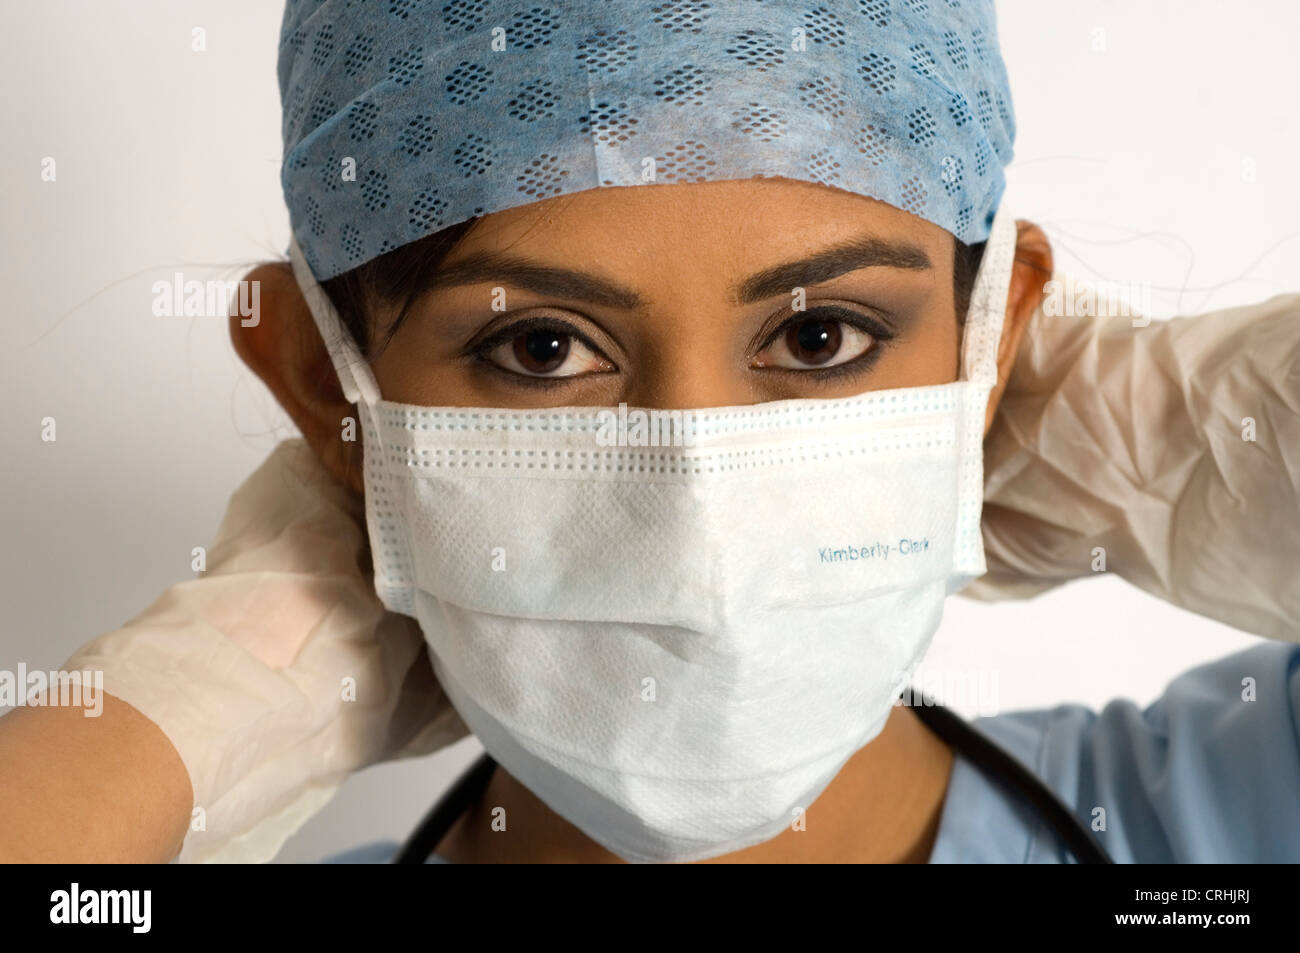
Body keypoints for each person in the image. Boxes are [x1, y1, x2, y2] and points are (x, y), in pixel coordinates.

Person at [3, 0, 1297, 864]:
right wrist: (168, 716)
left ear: (988, 343)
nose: (698, 507)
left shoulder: (1239, 812)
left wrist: (1210, 448)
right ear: (322, 381)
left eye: (820, 335)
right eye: (542, 345)